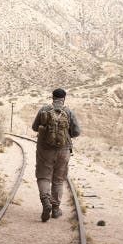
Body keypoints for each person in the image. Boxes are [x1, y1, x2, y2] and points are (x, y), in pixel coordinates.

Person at [32, 88, 81, 222]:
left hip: (44, 150)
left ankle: (45, 201)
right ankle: (55, 209)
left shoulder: (44, 110)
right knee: (58, 180)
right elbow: (76, 132)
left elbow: (34, 127)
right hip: (63, 151)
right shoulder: (69, 111)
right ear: (64, 98)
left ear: (52, 97)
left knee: (43, 177)